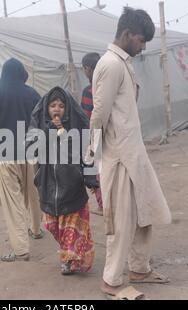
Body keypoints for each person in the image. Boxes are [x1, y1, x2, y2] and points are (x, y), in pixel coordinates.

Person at [89, 7, 171, 299]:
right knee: (122, 221)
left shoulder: (123, 62)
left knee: (142, 215)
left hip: (133, 154)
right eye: (140, 40)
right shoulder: (110, 64)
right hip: (120, 157)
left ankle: (139, 268)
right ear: (126, 35)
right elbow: (99, 114)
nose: (143, 46)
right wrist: (95, 157)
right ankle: (111, 280)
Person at [27, 87, 97, 275]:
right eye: (52, 105)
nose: (56, 109)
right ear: (46, 108)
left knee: (70, 228)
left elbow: (86, 154)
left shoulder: (74, 127)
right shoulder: (40, 126)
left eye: (60, 105)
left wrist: (91, 178)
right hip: (48, 189)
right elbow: (31, 149)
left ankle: (67, 260)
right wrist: (48, 131)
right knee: (51, 225)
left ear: (66, 109)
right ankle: (71, 254)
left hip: (72, 187)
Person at [0, 58, 44, 262]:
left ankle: (21, 249)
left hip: (6, 155)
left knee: (13, 201)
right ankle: (36, 229)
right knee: (33, 194)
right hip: (31, 153)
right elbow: (43, 123)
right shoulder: (32, 94)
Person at [81, 52, 103, 215]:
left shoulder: (89, 91)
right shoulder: (107, 86)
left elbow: (86, 118)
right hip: (112, 135)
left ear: (88, 69)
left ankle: (103, 205)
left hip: (96, 138)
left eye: (84, 69)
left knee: (95, 174)